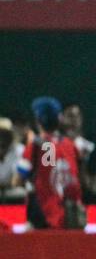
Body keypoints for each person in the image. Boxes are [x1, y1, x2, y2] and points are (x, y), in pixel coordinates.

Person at [19, 97, 84, 230]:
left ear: (38, 120)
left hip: (43, 216)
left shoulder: (37, 145)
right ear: (59, 119)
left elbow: (18, 178)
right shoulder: (70, 145)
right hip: (71, 216)